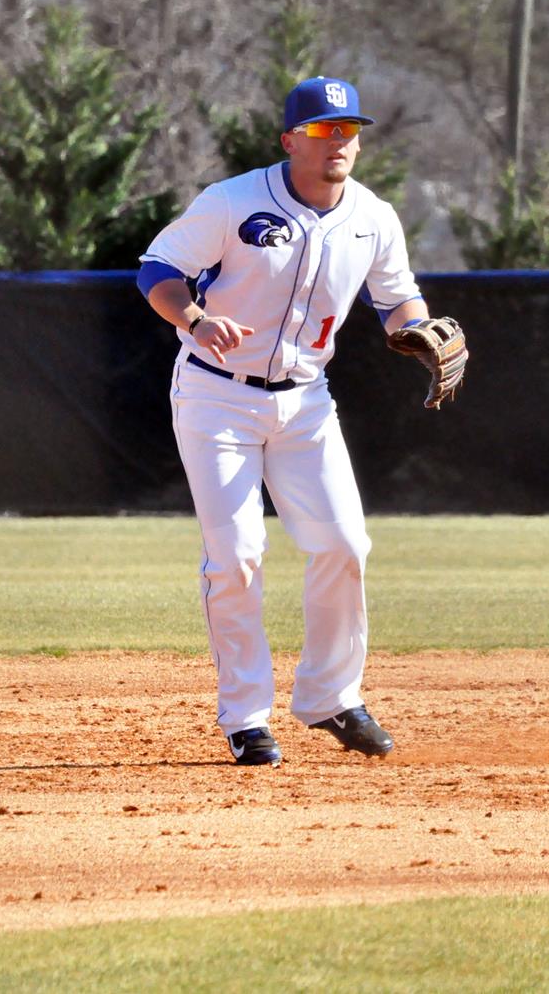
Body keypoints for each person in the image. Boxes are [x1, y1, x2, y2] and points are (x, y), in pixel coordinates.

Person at [135, 76, 449, 766]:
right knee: (238, 555)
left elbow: (397, 299)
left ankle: (332, 697)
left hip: (307, 401)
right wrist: (194, 317)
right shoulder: (233, 200)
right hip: (216, 395)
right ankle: (247, 718)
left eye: (349, 130)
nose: (339, 141)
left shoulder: (374, 217)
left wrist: (418, 331)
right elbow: (157, 268)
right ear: (289, 140)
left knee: (344, 543)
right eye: (323, 130)